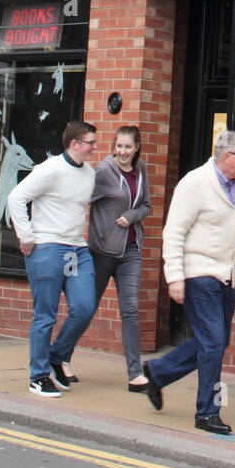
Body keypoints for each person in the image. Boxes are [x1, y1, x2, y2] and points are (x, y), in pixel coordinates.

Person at [142, 131, 235, 434]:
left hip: (225, 276)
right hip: (198, 273)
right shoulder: (195, 183)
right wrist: (175, 277)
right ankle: (207, 412)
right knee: (213, 342)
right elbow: (174, 232)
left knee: (217, 340)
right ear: (227, 157)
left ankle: (158, 371)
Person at [8, 120, 99, 398]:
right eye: (90, 143)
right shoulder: (49, 170)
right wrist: (26, 236)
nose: (94, 148)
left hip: (76, 250)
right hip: (47, 248)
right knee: (45, 315)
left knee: (84, 307)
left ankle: (56, 356)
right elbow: (16, 197)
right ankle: (38, 376)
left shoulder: (89, 173)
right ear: (74, 144)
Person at [88, 126, 152, 391]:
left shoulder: (141, 169)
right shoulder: (103, 172)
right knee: (86, 308)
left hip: (131, 250)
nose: (123, 152)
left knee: (130, 309)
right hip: (103, 251)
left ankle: (135, 374)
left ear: (136, 147)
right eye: (119, 146)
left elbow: (146, 205)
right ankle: (61, 358)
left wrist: (131, 216)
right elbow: (81, 199)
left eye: (128, 147)